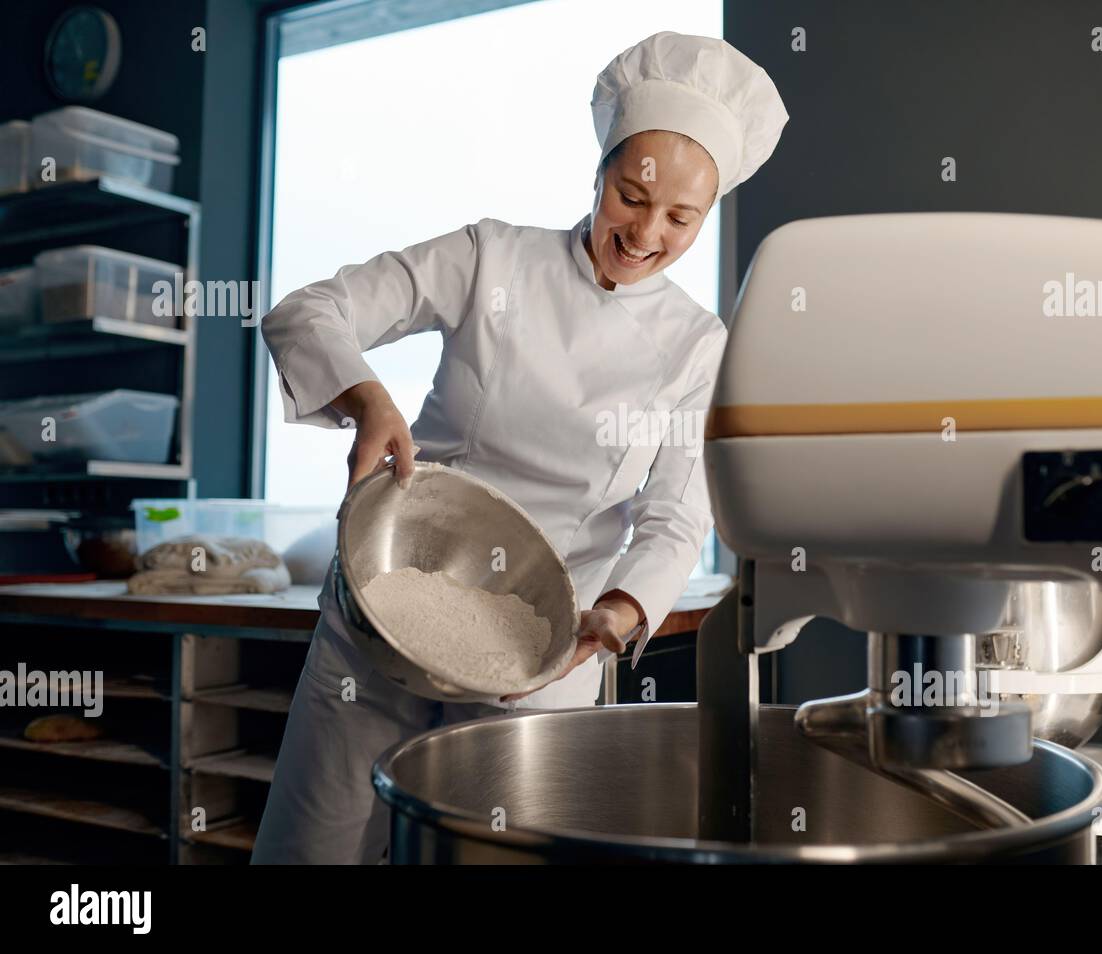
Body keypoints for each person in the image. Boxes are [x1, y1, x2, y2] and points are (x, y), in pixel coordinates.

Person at [250, 31, 788, 864]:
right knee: (310, 851)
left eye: (682, 218)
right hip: (384, 613)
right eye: (631, 195)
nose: (647, 232)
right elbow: (307, 309)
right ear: (601, 169)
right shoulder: (490, 257)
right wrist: (367, 398)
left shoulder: (698, 344)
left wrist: (614, 615)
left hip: (538, 652)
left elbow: (676, 517)